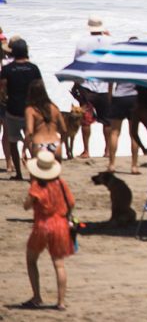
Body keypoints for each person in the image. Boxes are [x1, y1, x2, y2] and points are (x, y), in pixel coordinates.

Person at [22, 150, 74, 311]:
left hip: (43, 224)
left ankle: (37, 296)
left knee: (31, 260)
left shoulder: (36, 186)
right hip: (60, 224)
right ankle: (61, 302)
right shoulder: (61, 183)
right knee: (59, 264)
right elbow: (71, 203)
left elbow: (26, 206)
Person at [72, 16, 111, 162]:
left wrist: (75, 84)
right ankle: (107, 150)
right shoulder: (110, 41)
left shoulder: (82, 42)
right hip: (106, 86)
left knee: (86, 120)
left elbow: (77, 64)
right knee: (107, 121)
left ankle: (86, 151)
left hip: (87, 86)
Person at [1, 39, 41, 180]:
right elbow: (39, 88)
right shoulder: (33, 68)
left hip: (13, 109)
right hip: (30, 109)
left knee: (13, 141)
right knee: (32, 141)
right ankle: (34, 173)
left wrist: (5, 99)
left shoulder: (7, 69)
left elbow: (2, 89)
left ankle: (18, 173)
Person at [23, 80, 65, 160]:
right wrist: (60, 142)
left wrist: (24, 150)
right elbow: (64, 129)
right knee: (55, 168)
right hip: (55, 144)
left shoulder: (31, 110)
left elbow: (29, 132)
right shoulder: (54, 108)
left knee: (38, 168)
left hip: (40, 144)